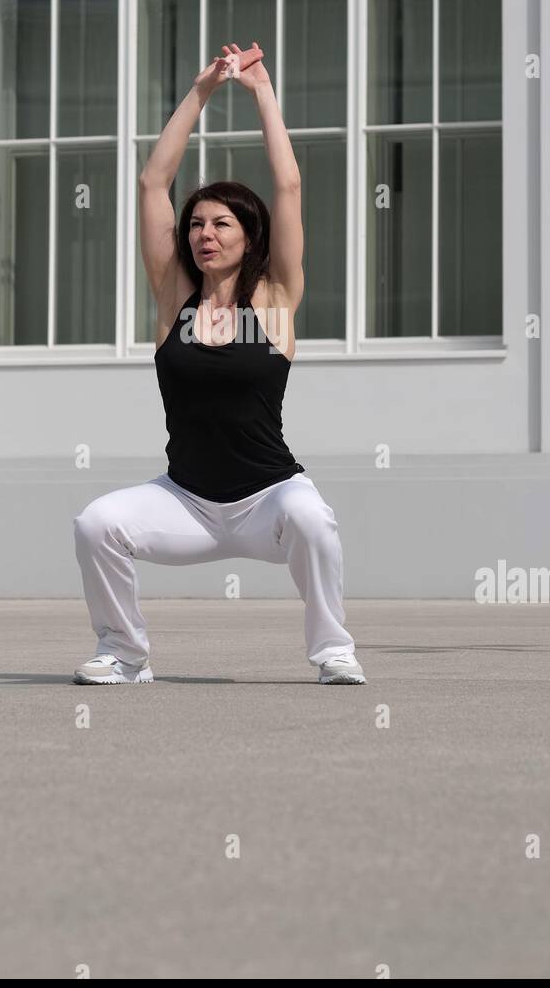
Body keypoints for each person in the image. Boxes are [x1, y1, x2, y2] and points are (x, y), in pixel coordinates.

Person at [72, 41, 366, 686]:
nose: (205, 233)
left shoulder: (279, 300)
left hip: (268, 501)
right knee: (97, 523)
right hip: (186, 503)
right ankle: (124, 653)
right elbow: (154, 182)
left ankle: (332, 651)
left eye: (222, 224)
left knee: (314, 517)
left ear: (250, 235)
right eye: (197, 224)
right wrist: (202, 91)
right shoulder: (173, 299)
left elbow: (287, 184)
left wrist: (261, 90)